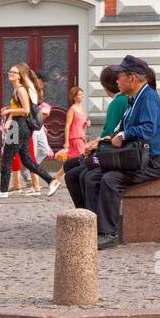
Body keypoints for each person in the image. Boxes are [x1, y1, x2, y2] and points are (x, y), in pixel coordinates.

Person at [77, 55, 160, 250]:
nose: (117, 80)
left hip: (149, 161)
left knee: (110, 179)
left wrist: (124, 135)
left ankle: (108, 234)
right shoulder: (133, 98)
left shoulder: (148, 97)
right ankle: (90, 227)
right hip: (133, 157)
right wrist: (107, 140)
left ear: (132, 79)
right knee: (90, 172)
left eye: (120, 76)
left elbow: (148, 128)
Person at [63, 66, 129, 210]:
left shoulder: (118, 102)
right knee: (70, 165)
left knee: (75, 173)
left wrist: (93, 146)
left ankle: (86, 214)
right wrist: (93, 143)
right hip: (109, 149)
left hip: (110, 154)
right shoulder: (123, 100)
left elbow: (110, 134)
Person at [0, 63, 59, 196]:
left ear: (20, 76)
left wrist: (9, 110)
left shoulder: (20, 90)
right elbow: (21, 108)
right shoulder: (16, 89)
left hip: (19, 126)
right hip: (19, 125)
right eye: (10, 71)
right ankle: (52, 180)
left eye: (14, 72)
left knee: (7, 157)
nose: (10, 73)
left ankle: (3, 191)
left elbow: (26, 110)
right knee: (27, 160)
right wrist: (9, 110)